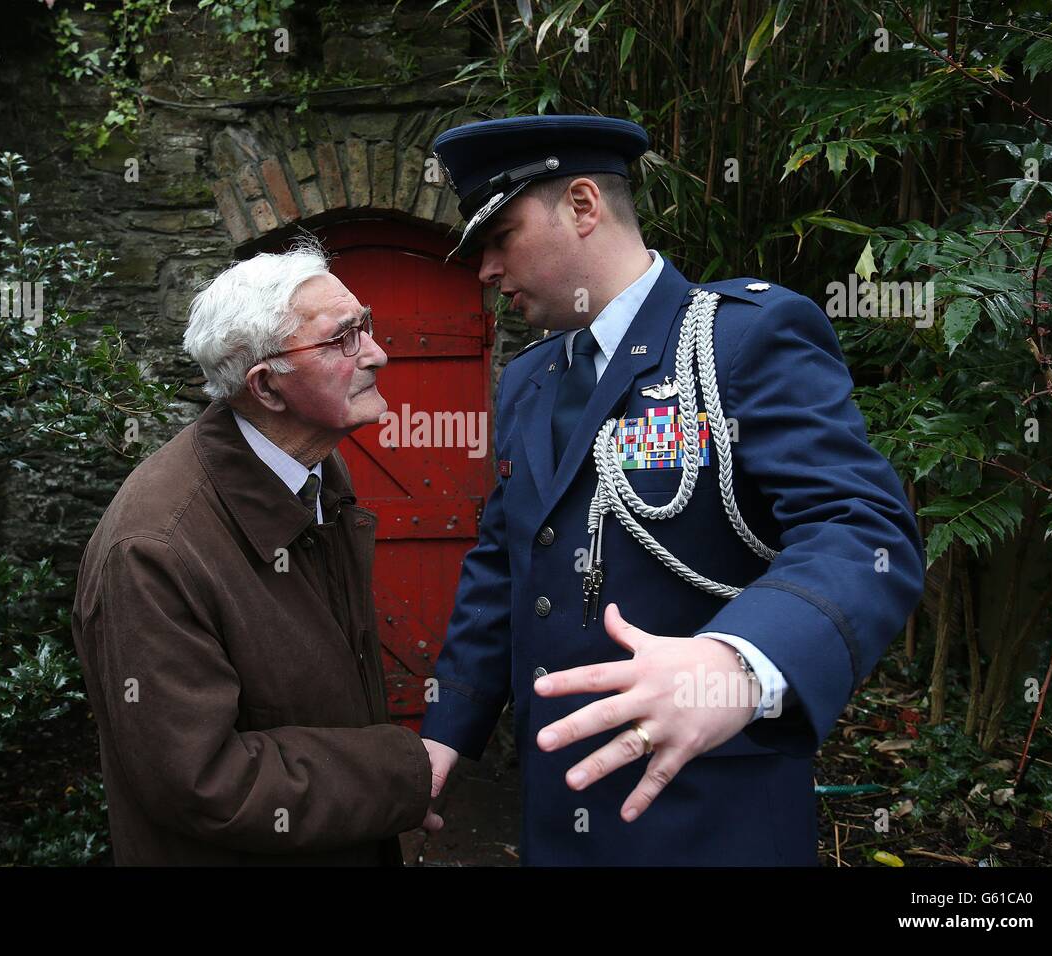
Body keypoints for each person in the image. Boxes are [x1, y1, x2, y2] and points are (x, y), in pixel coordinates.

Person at [420, 115, 925, 865]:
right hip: (559, 810)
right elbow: (505, 563)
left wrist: (736, 662)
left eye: (501, 237)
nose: (487, 269)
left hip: (707, 814)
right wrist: (445, 731)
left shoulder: (740, 340)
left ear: (584, 205)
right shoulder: (529, 379)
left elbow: (862, 531)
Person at [71, 235, 439, 865]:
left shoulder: (313, 470)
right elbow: (204, 781)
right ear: (266, 388)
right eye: (342, 339)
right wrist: (405, 773)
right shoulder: (153, 550)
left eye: (366, 326)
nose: (377, 353)